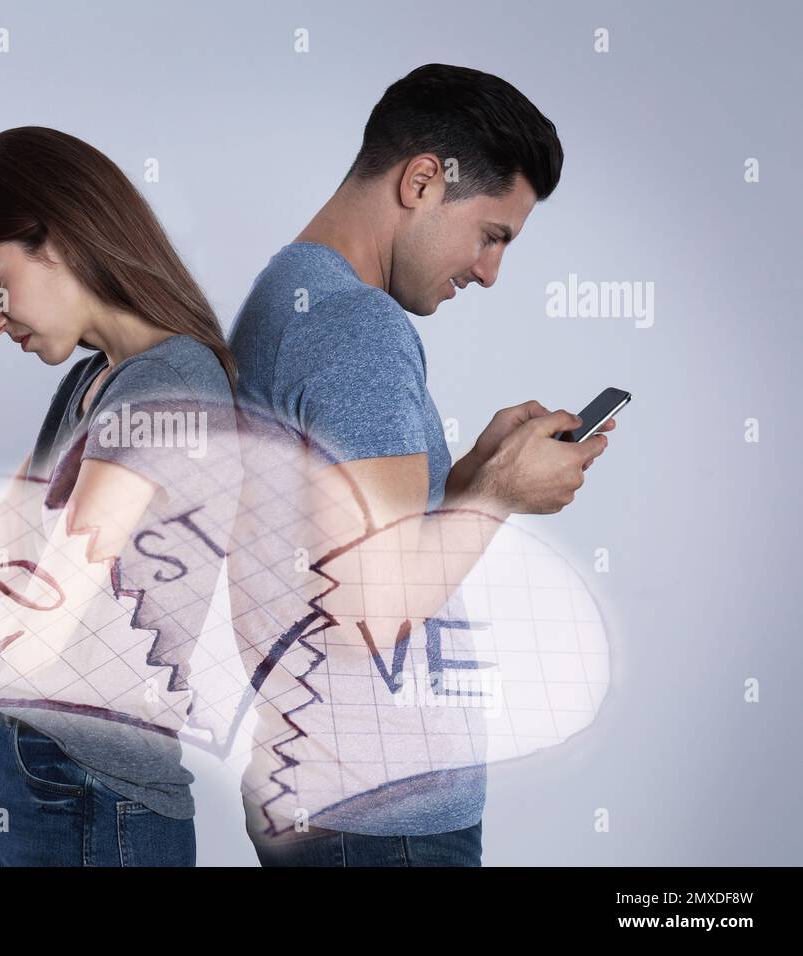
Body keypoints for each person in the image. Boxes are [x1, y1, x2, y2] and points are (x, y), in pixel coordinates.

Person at [225, 64, 616, 866]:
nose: (488, 271)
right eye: (492, 233)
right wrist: (500, 496)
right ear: (423, 181)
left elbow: (334, 557)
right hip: (385, 815)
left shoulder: (286, 292)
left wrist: (467, 478)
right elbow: (372, 609)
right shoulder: (357, 327)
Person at [0, 126, 240, 866]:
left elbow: (37, 636)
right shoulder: (96, 382)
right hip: (38, 770)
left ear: (58, 239)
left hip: (95, 795)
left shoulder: (170, 386)